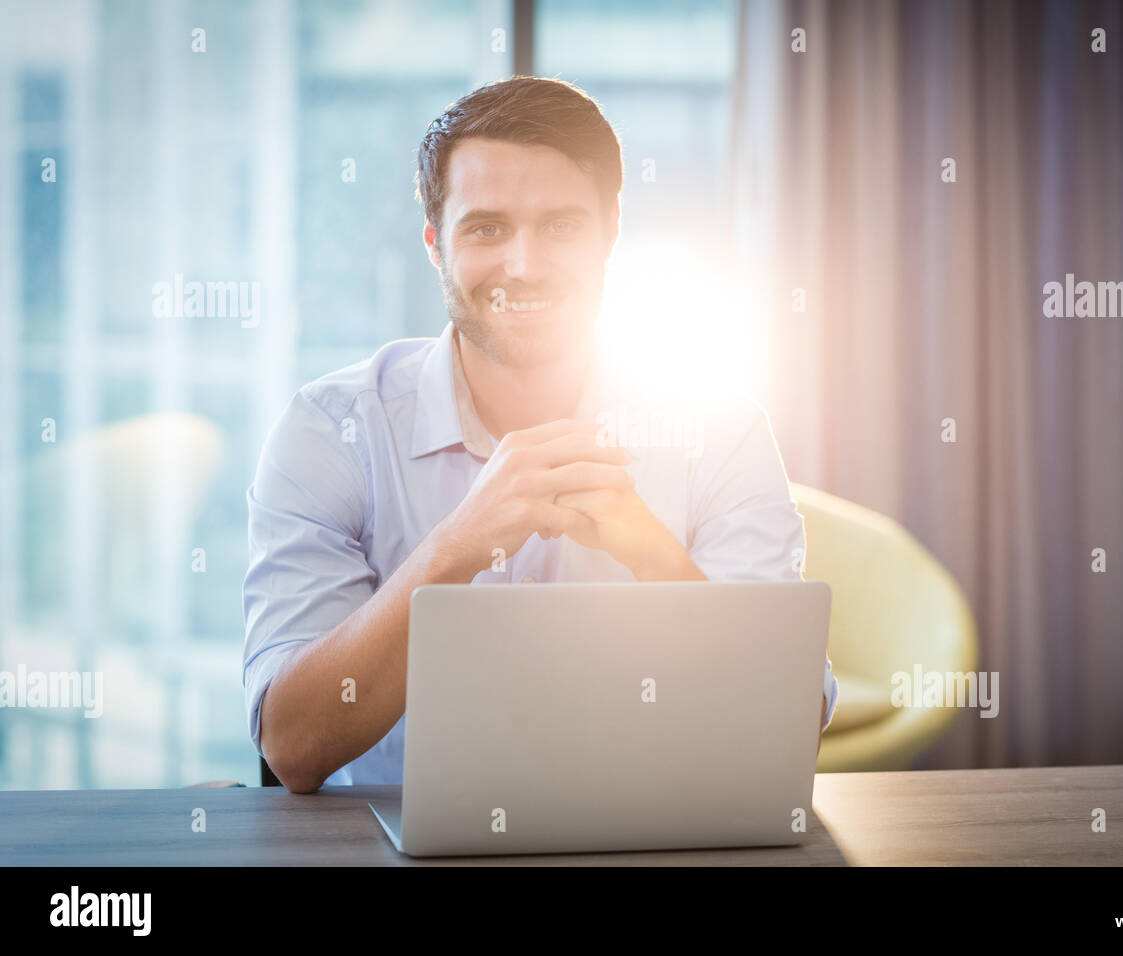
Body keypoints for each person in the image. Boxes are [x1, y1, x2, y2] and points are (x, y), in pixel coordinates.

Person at [242, 76, 838, 793]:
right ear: (435, 242)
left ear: (611, 231)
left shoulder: (723, 430)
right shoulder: (331, 432)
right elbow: (293, 747)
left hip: (654, 839)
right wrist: (454, 548)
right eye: (486, 228)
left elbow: (786, 730)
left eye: (560, 225)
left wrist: (650, 552)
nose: (523, 266)